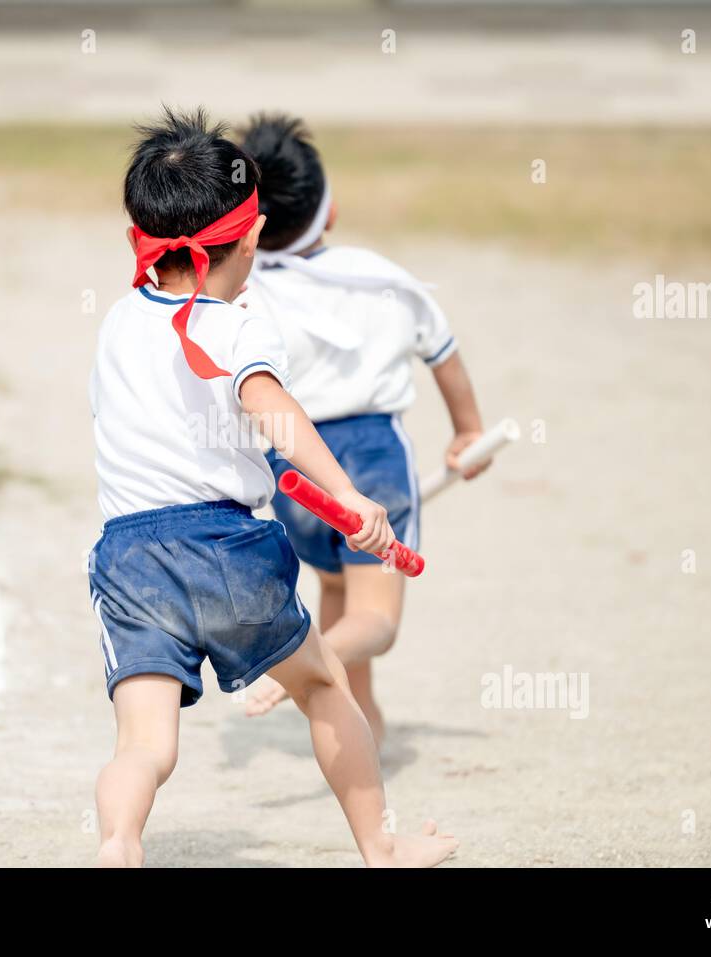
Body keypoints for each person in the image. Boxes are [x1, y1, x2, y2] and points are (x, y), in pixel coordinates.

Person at [87, 107, 456, 867]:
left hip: (128, 558)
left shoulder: (118, 322)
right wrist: (350, 497)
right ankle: (381, 846)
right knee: (324, 685)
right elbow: (272, 409)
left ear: (141, 236)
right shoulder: (242, 323)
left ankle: (119, 841)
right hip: (225, 546)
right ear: (251, 239)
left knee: (145, 742)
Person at [239, 113, 488, 745]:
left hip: (295, 474)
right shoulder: (381, 278)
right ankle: (301, 653)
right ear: (333, 210)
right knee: (375, 618)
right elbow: (444, 353)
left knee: (335, 589)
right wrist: (468, 431)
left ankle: (360, 733)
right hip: (372, 454)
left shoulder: (249, 295)